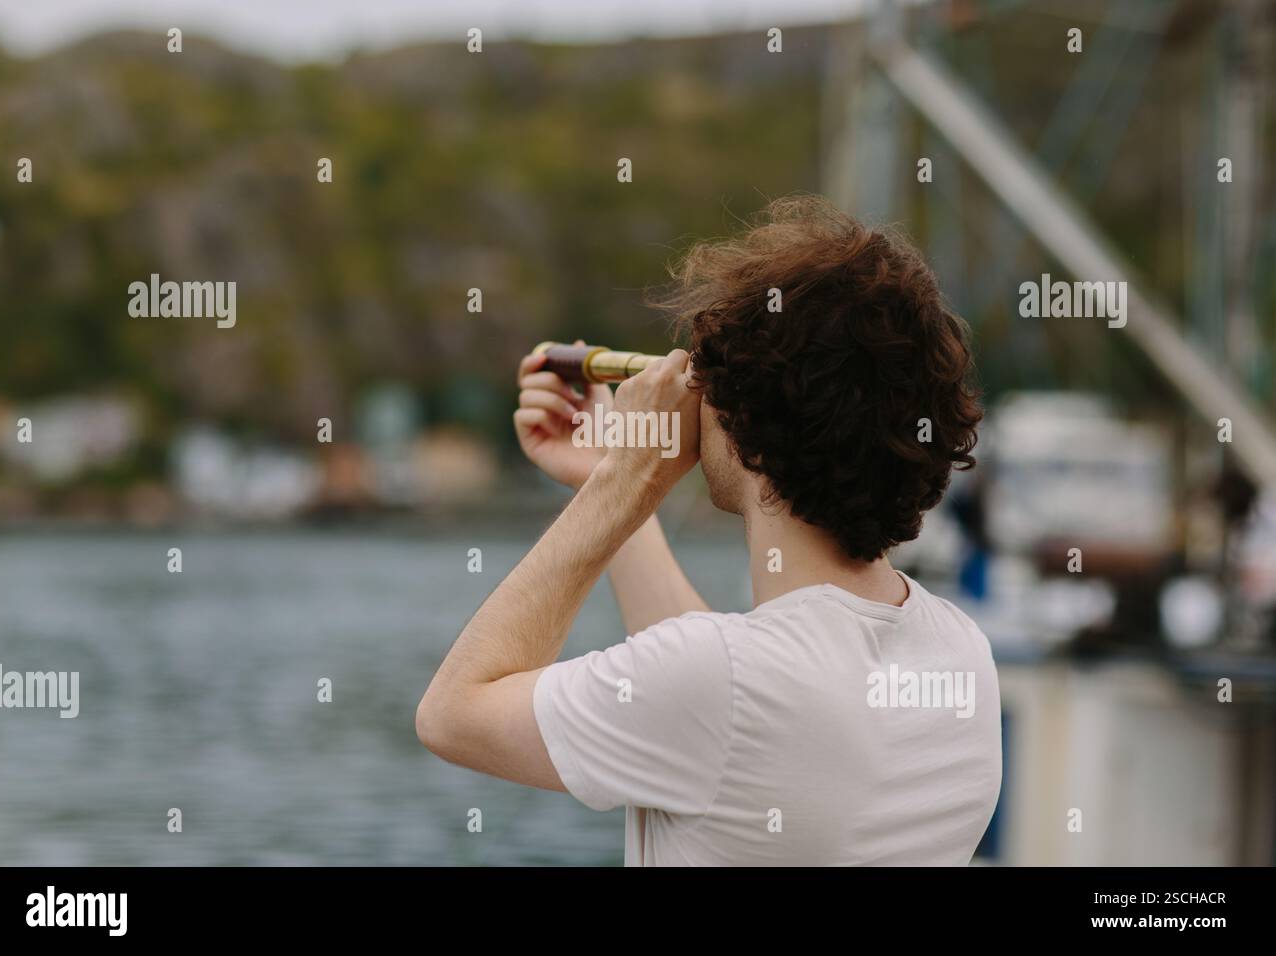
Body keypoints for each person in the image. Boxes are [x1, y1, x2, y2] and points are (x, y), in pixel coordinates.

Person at [416, 195, 1002, 865]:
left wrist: (625, 484)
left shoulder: (718, 682)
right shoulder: (961, 656)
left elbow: (451, 715)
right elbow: (727, 701)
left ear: (745, 419)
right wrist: (610, 476)